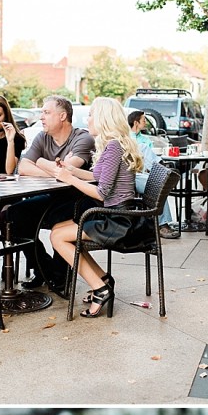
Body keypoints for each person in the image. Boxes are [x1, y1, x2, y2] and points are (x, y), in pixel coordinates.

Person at [49, 97, 144, 317]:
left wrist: (70, 179)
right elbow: (96, 176)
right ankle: (102, 278)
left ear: (103, 118)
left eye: (91, 114)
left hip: (118, 220)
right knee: (57, 229)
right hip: (116, 214)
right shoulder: (115, 145)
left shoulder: (113, 147)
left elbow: (101, 193)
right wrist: (70, 171)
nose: (88, 118)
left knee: (57, 237)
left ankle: (101, 289)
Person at [9, 95, 96, 295]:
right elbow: (23, 167)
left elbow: (69, 170)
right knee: (15, 214)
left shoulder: (82, 138)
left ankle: (61, 277)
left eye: (46, 112)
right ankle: (43, 270)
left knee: (60, 217)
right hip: (51, 196)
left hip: (77, 199)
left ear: (63, 116)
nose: (41, 117)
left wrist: (39, 162)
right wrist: (52, 169)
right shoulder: (42, 136)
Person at [128, 109, 178, 239]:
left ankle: (162, 172)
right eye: (144, 120)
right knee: (159, 184)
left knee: (159, 183)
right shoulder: (127, 138)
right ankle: (162, 225)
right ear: (136, 123)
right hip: (132, 173)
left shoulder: (145, 138)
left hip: (145, 171)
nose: (146, 123)